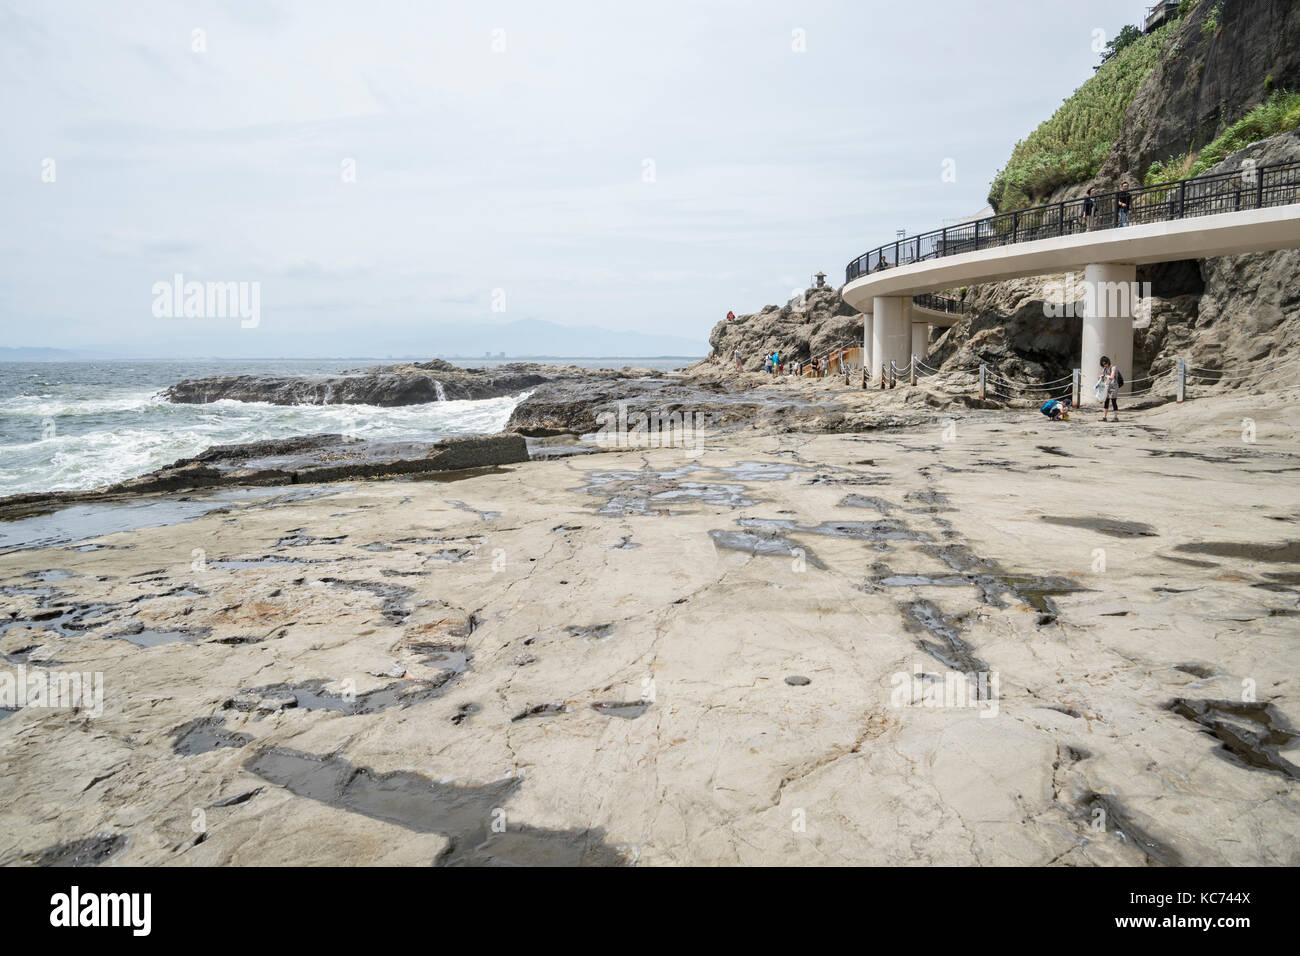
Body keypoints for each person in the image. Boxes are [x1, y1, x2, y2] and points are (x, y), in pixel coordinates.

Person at [1099, 355, 1123, 422]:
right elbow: (1101, 377)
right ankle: (1104, 417)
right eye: (1103, 364)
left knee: (1113, 401)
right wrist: (1101, 377)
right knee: (1106, 401)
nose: (1105, 365)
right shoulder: (1104, 369)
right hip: (1107, 386)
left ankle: (1116, 417)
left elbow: (1112, 377)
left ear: (1108, 362)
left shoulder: (1113, 368)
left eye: (1105, 363)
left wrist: (1104, 376)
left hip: (1114, 386)